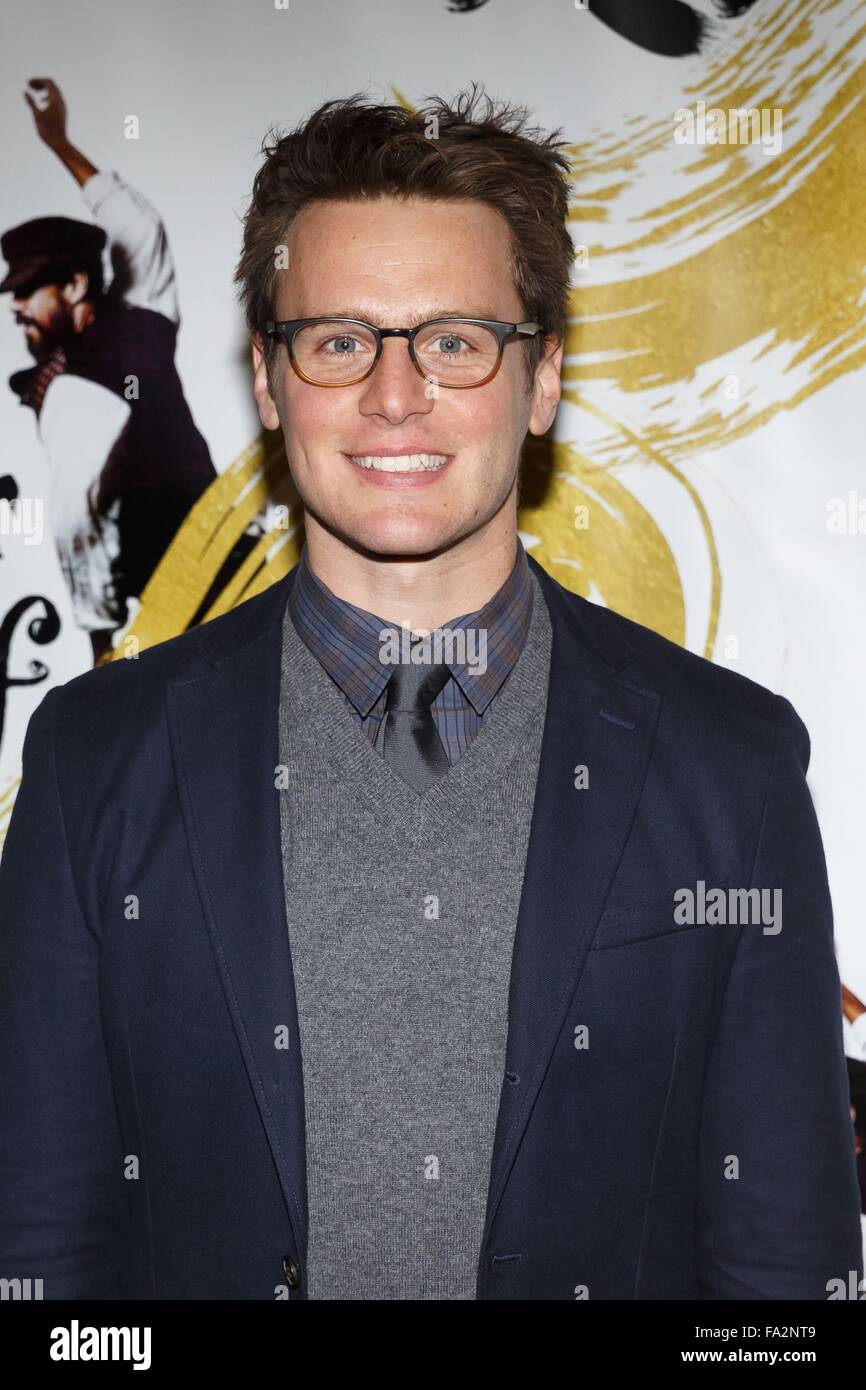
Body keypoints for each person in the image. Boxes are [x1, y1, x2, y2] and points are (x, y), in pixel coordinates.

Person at [0, 85, 861, 1302]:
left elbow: (779, 1281)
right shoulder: (98, 757)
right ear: (266, 379)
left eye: (453, 339)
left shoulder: (728, 763)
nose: (393, 395)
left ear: (542, 377)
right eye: (339, 339)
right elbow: (40, 1256)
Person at [2, 78, 217, 664]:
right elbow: (138, 228)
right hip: (229, 554)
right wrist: (58, 141)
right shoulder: (143, 315)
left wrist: (99, 638)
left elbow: (76, 514)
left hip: (170, 601)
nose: (16, 305)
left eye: (27, 290)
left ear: (74, 285)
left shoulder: (71, 386)